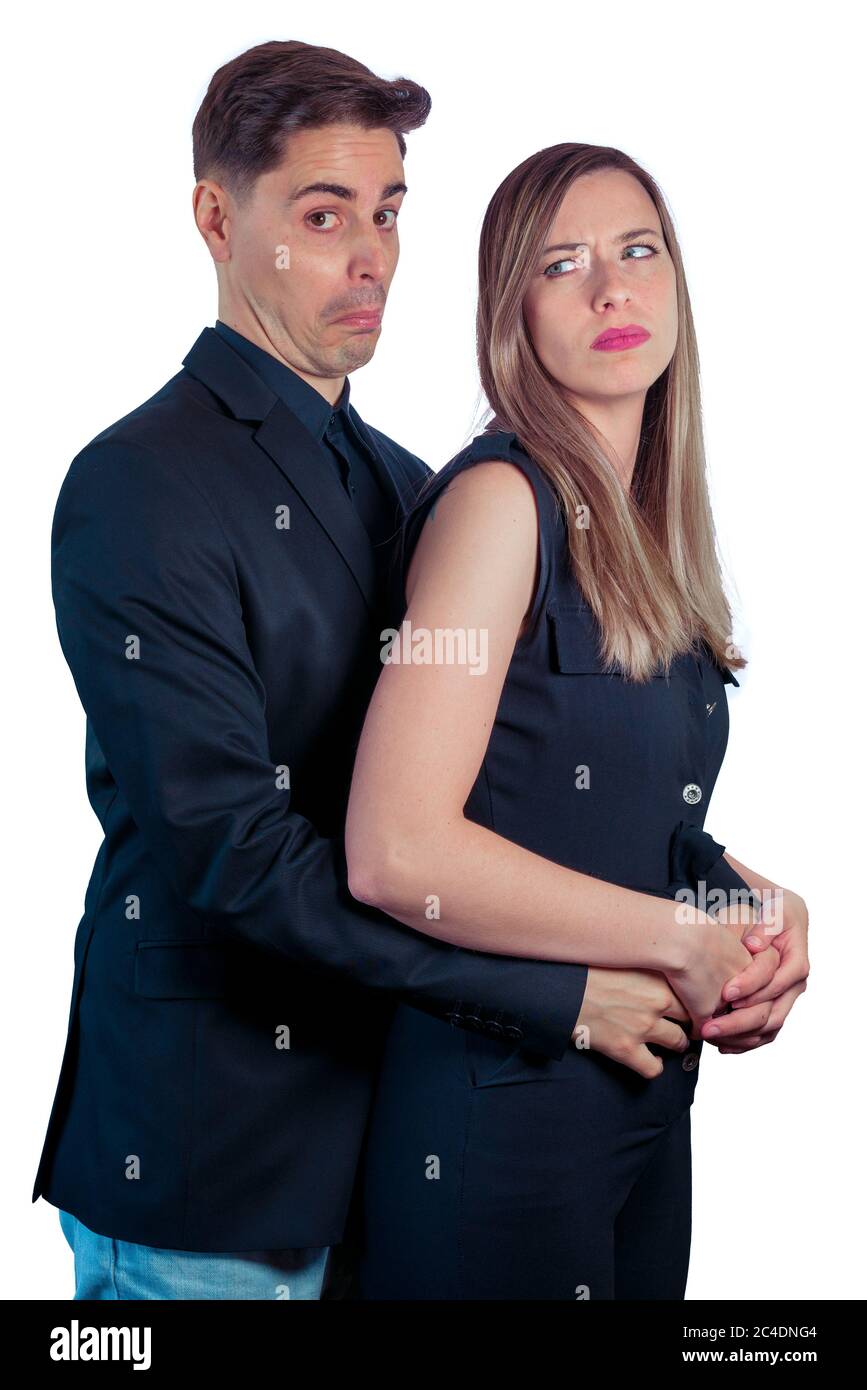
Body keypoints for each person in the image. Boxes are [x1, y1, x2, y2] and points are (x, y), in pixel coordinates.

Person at [32, 39, 603, 1302]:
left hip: (401, 1153)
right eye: (324, 213)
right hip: (207, 1178)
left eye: (390, 212)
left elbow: (510, 781)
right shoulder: (136, 484)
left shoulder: (417, 491)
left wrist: (706, 910)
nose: (373, 258)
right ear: (216, 217)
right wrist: (551, 990)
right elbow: (235, 853)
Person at [345, 144, 810, 1300]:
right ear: (514, 315)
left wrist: (748, 909)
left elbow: (609, 817)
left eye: (637, 250)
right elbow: (396, 849)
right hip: (499, 1119)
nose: (612, 288)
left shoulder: (653, 534)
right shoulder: (502, 506)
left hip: (640, 1110)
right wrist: (677, 937)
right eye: (565, 264)